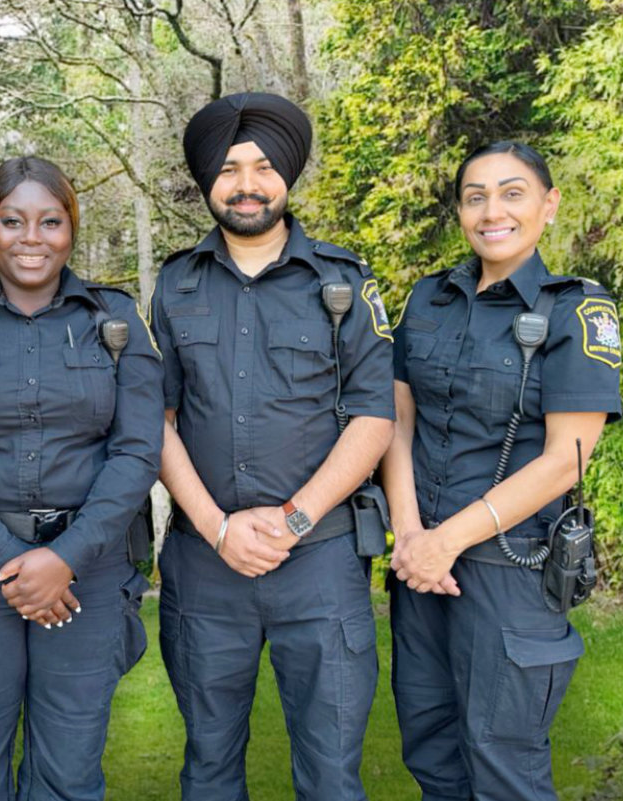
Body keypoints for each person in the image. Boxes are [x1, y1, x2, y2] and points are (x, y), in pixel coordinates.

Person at [150, 92, 396, 800]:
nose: (246, 184)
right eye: (228, 169)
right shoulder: (175, 283)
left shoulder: (344, 281)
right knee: (208, 767)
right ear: (208, 182)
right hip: (205, 564)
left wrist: (293, 520)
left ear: (287, 174)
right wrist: (218, 528)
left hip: (319, 564)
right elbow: (155, 419)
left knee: (331, 774)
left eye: (262, 167)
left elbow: (375, 416)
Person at [0, 156, 162, 801]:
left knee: (69, 770)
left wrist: (64, 558)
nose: (31, 238)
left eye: (51, 221)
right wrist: (13, 564)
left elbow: (136, 452)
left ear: (72, 229)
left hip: (86, 572)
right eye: (12, 221)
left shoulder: (117, 319)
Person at [384, 141, 621, 801]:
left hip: (510, 576)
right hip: (420, 571)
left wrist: (445, 541)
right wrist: (410, 534)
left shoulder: (576, 310)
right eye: (476, 196)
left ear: (549, 205)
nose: (493, 212)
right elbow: (397, 422)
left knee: (505, 772)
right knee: (432, 758)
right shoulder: (428, 299)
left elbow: (564, 459)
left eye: (513, 193)